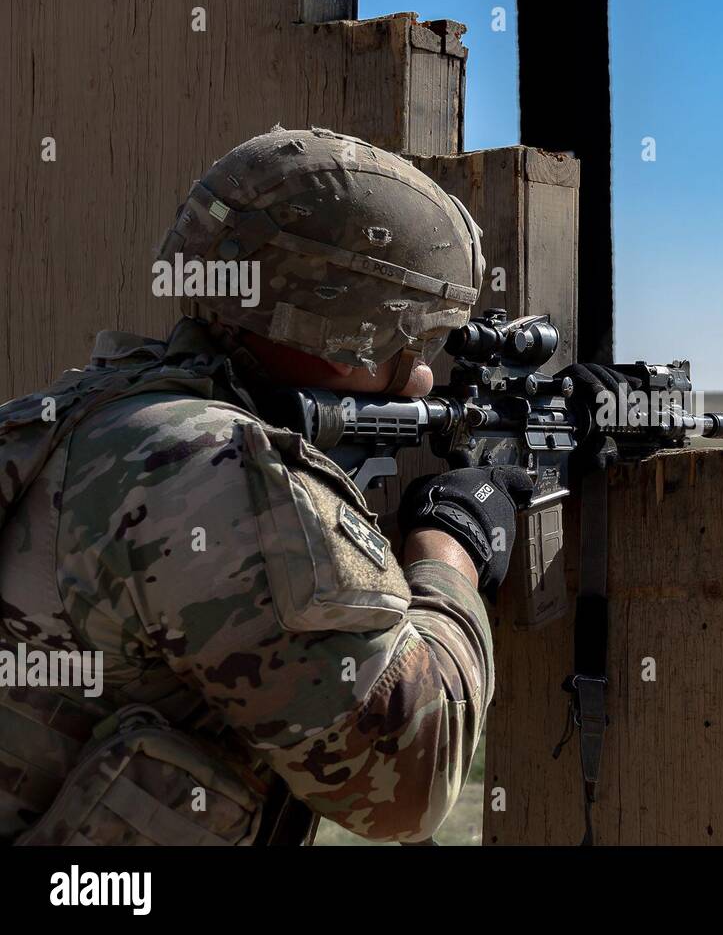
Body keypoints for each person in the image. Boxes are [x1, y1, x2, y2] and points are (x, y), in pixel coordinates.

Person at [0, 126, 532, 845]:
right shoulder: (211, 470)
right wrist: (452, 547)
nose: (423, 375)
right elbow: (407, 781)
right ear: (352, 333)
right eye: (414, 339)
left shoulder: (91, 410)